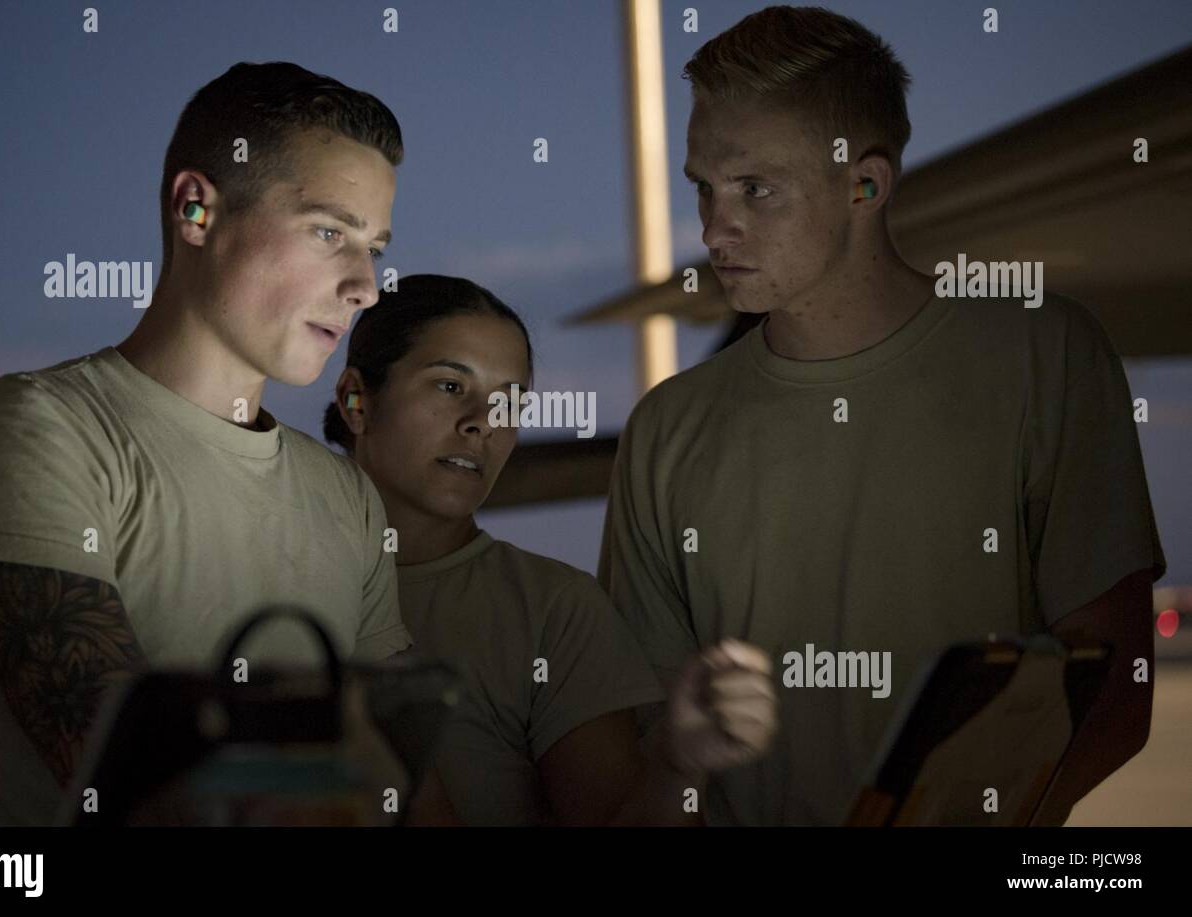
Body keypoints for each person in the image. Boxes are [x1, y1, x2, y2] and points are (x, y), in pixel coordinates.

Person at [598, 6, 1166, 826]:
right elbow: (651, 751)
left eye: (755, 188)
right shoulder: (663, 432)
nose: (715, 227)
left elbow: (1114, 691)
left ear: (865, 184)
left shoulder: (1048, 358)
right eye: (703, 188)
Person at [0, 62, 412, 826]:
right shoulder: (34, 428)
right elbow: (132, 778)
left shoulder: (346, 495)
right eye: (329, 232)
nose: (367, 285)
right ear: (196, 209)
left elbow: (402, 780)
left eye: (375, 247)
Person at [324, 274, 779, 825]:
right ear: (355, 399)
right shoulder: (252, 568)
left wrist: (675, 768)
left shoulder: (552, 610)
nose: (482, 424)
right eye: (449, 386)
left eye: (509, 403)